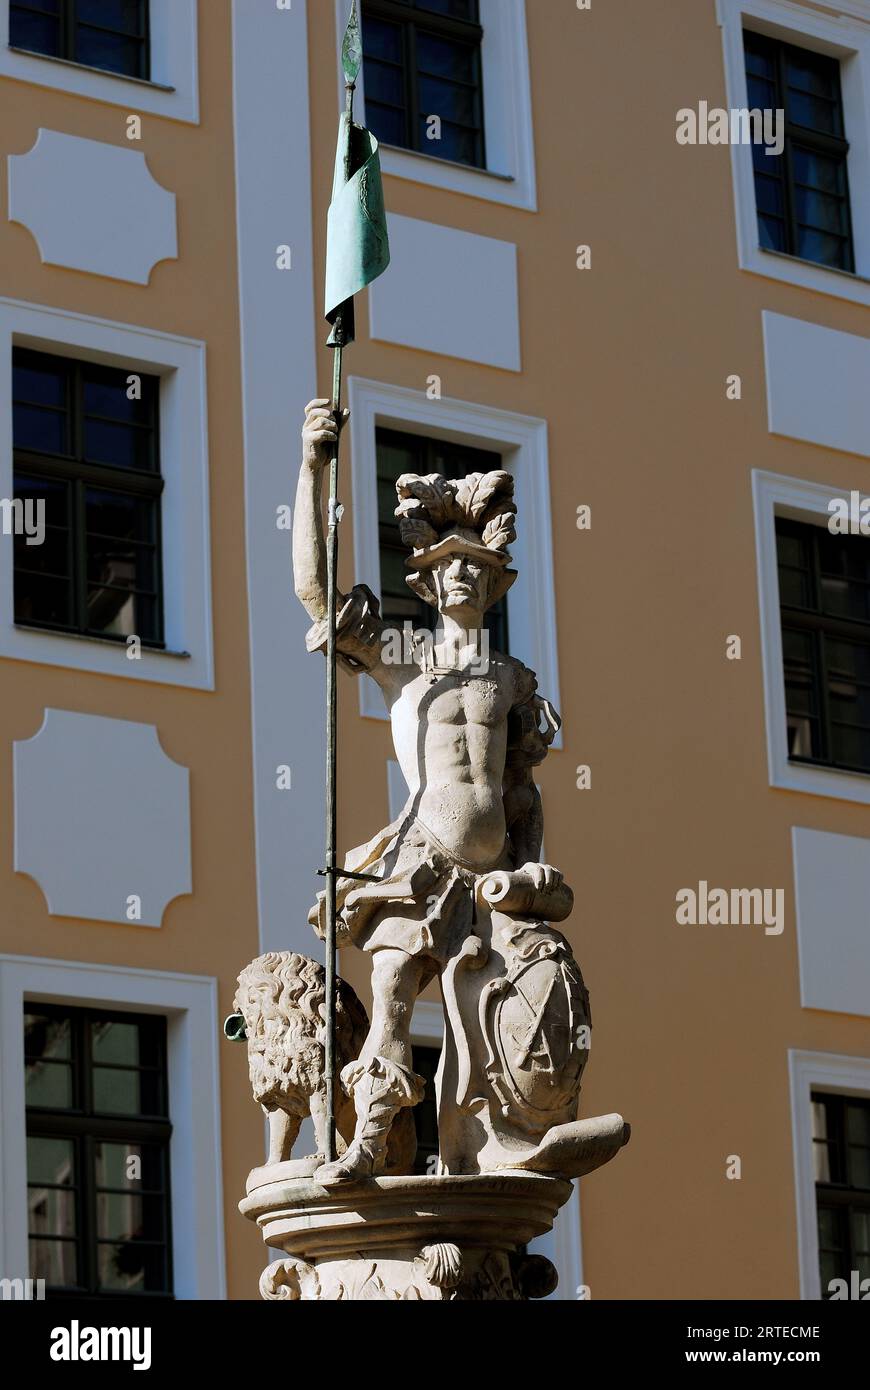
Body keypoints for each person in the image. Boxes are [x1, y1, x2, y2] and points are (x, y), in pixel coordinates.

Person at [293, 400, 561, 1182]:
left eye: (478, 569)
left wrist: (536, 861)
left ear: (497, 583)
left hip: (498, 872)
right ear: (428, 580)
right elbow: (316, 596)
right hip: (427, 856)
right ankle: (370, 1141)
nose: (464, 578)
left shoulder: (513, 682)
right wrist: (312, 467)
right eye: (449, 568)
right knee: (391, 989)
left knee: (501, 1008)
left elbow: (519, 792)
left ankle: (491, 1144)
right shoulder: (407, 660)